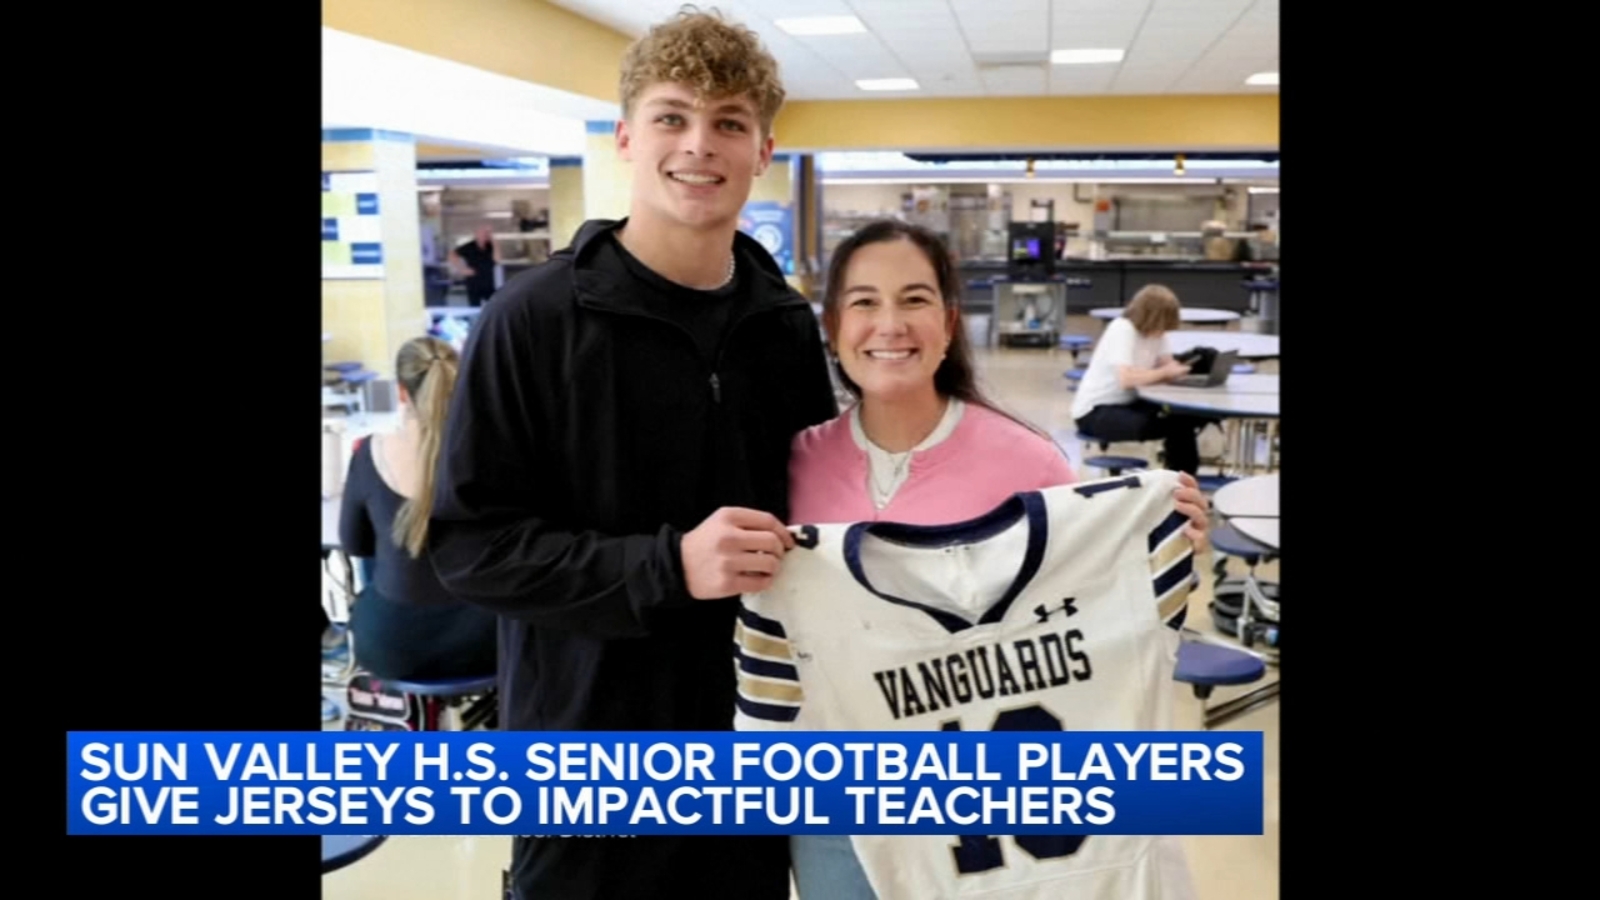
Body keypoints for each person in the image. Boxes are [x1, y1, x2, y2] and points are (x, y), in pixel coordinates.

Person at [425, 9, 837, 900]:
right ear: (625, 137)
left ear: (763, 151)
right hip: (585, 749)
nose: (699, 144)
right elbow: (471, 547)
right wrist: (668, 566)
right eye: (671, 117)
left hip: (751, 739)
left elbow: (824, 509)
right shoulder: (531, 322)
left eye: (729, 122)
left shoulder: (783, 325)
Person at [782, 219, 1210, 898]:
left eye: (915, 299)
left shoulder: (1028, 462)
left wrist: (1157, 544)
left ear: (949, 322)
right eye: (864, 302)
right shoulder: (790, 467)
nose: (890, 324)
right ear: (832, 326)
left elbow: (1095, 628)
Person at [338, 336, 497, 681]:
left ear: (401, 392)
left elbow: (354, 544)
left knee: (379, 572)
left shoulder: (370, 453)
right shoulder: (493, 454)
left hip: (393, 648)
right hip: (487, 642)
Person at [1071, 284, 1210, 475]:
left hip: (1129, 403)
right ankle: (1178, 479)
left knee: (1185, 417)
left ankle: (1180, 477)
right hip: (1096, 412)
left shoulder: (1158, 334)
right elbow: (1126, 379)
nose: (1164, 331)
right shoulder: (1122, 328)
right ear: (1152, 318)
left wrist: (1185, 371)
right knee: (1177, 426)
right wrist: (1165, 373)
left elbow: (1167, 364)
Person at [450, 226, 498, 306]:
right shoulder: (469, 246)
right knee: (474, 307)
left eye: (485, 234)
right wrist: (462, 269)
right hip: (473, 283)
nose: (483, 236)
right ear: (476, 235)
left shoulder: (490, 246)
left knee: (494, 305)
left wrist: (494, 241)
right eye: (481, 233)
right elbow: (452, 254)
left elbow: (497, 259)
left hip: (488, 283)